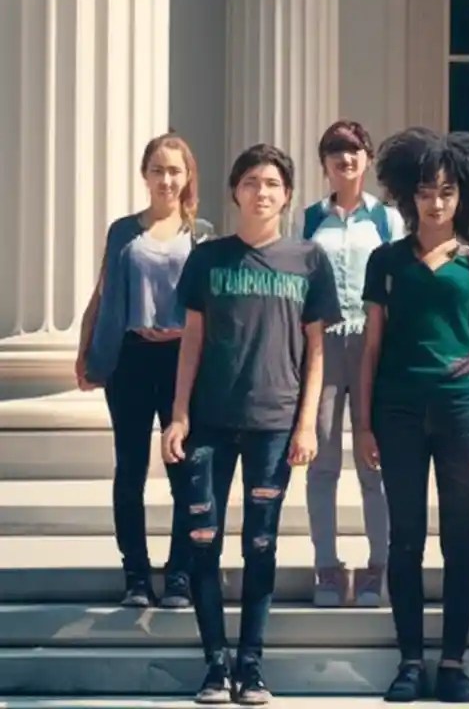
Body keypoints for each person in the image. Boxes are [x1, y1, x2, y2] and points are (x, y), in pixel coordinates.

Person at [161, 144, 341, 705]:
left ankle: (252, 665)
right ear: (235, 190)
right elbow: (190, 341)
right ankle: (216, 664)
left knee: (260, 543)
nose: (260, 192)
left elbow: (317, 352)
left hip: (273, 422)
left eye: (271, 183)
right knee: (202, 539)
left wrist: (306, 424)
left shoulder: (308, 259)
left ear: (287, 195)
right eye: (250, 182)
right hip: (210, 422)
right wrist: (180, 414)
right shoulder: (208, 259)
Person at [358, 127, 469, 703]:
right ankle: (410, 660)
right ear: (408, 196)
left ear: (461, 195)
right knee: (405, 539)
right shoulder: (386, 261)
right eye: (425, 191)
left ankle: (452, 662)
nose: (436, 202)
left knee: (459, 538)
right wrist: (364, 424)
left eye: (446, 191)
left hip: (462, 406)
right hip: (396, 409)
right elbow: (371, 345)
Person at [76, 132, 210, 609]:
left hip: (182, 360)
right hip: (131, 357)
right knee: (130, 468)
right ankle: (136, 574)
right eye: (158, 170)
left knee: (184, 471)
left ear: (187, 175)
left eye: (175, 171)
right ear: (145, 175)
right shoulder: (123, 231)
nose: (166, 180)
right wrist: (87, 350)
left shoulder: (202, 233)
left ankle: (179, 575)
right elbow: (103, 293)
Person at [296, 119, 404, 608]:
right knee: (321, 461)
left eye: (355, 151)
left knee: (372, 461)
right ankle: (326, 565)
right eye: (337, 153)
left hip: (372, 343)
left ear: (368, 158)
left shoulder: (386, 219)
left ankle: (378, 565)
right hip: (322, 345)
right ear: (325, 164)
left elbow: (398, 284)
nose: (347, 160)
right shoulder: (308, 218)